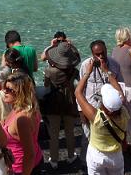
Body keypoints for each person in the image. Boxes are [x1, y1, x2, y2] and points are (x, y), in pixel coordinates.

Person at [75, 63, 129, 175]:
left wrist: (87, 73)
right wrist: (107, 71)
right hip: (116, 157)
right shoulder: (124, 112)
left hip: (96, 156)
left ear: (103, 103)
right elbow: (120, 92)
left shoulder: (96, 117)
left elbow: (78, 93)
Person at [43, 40, 81, 168]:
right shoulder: (74, 71)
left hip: (54, 102)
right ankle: (71, 156)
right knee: (70, 132)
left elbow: (46, 85)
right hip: (69, 102)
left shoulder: (50, 71)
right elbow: (79, 82)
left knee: (54, 134)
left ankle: (54, 160)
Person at [2, 72, 43, 175]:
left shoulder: (22, 120)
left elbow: (29, 155)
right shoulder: (29, 109)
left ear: (20, 92)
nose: (4, 91)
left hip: (21, 168)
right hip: (33, 162)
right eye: (4, 88)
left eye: (9, 90)